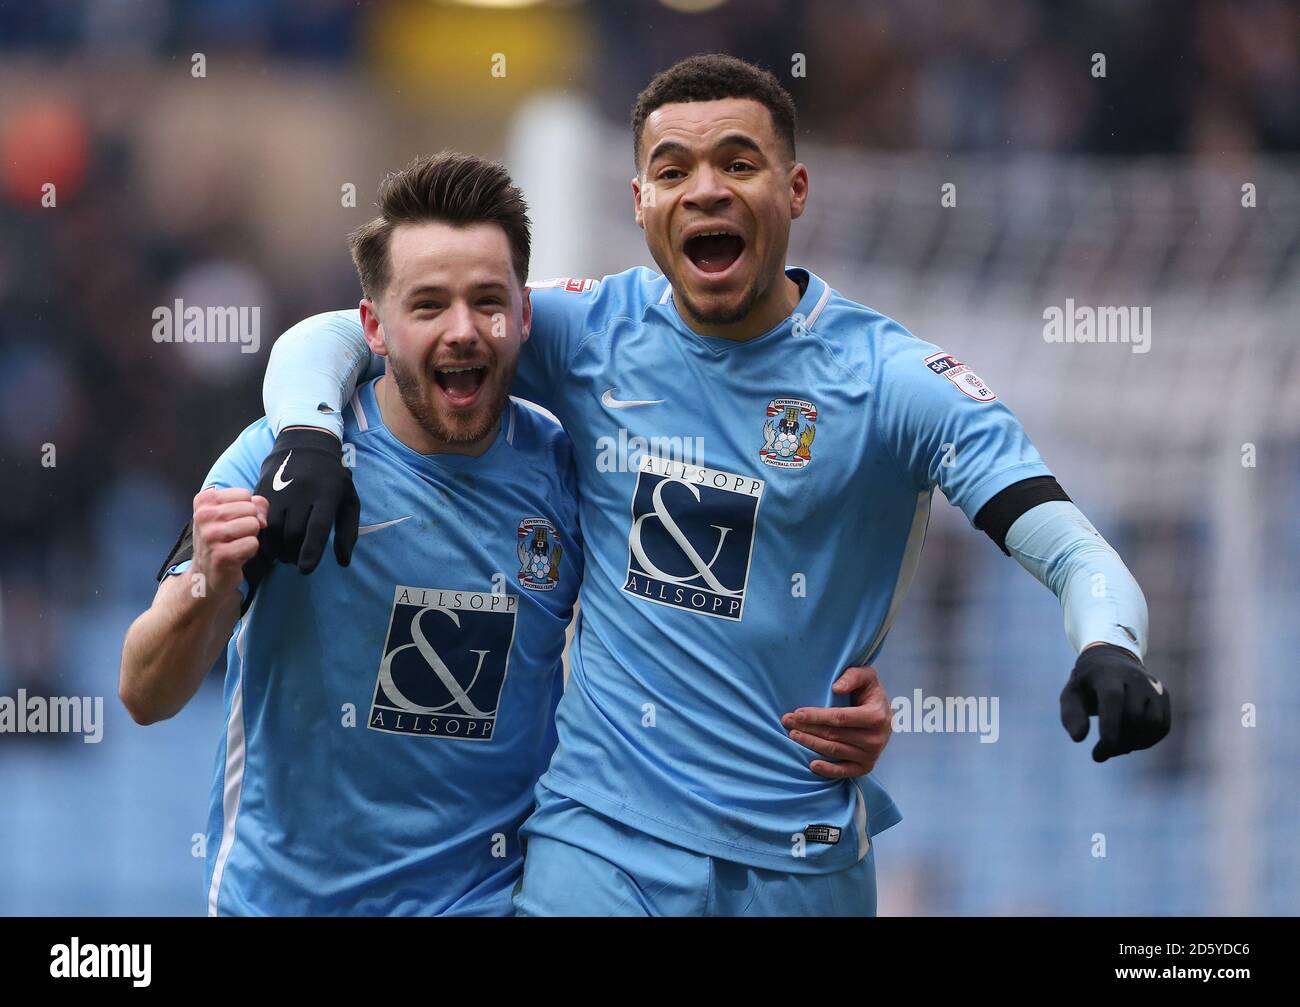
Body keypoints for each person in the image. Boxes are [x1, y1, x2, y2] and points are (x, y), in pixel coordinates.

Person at [254, 55, 1169, 916]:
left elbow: (1069, 543)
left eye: (740, 161)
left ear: (795, 189)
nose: (706, 189)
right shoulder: (585, 331)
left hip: (801, 855)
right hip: (600, 841)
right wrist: (308, 435)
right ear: (642, 200)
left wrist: (1110, 646)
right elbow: (338, 334)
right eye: (674, 167)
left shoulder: (893, 383)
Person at [118, 152, 587, 915]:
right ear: (373, 325)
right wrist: (211, 580)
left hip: (487, 901)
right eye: (428, 304)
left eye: (488, 302)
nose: (463, 330)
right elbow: (144, 690)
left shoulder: (567, 475)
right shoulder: (280, 457)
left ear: (525, 315)